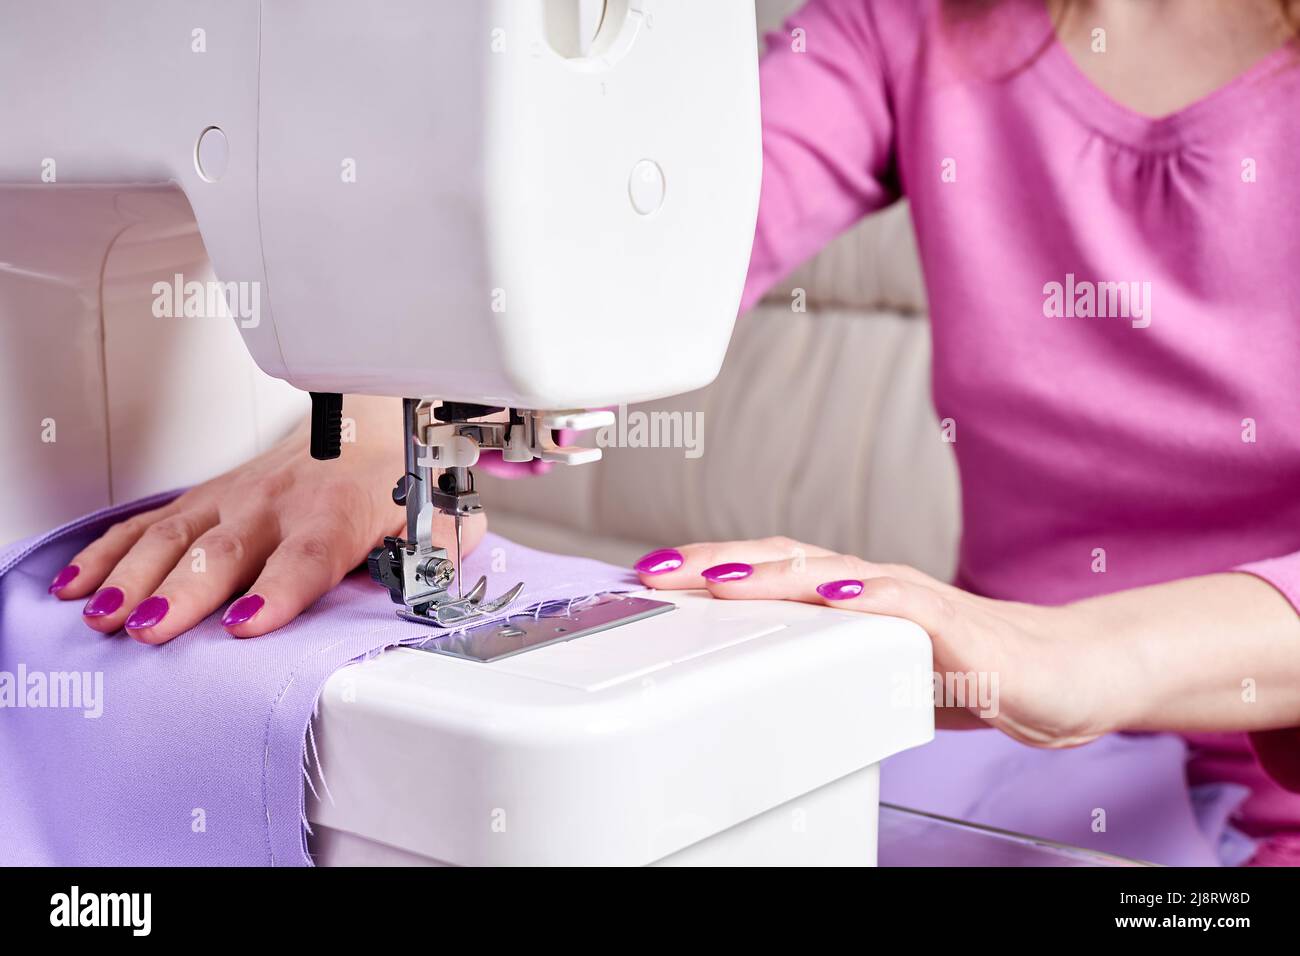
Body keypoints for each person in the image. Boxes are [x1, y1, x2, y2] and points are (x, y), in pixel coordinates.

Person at [46, 0, 1300, 863]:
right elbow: (632, 234)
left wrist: (1070, 653)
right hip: (983, 752)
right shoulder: (916, 25)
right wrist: (381, 414)